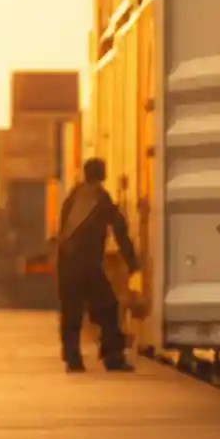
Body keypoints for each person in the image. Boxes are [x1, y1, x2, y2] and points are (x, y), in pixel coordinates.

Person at [55, 158, 139, 373]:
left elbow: (62, 229)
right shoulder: (101, 198)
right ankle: (113, 358)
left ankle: (72, 359)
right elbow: (119, 229)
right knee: (108, 307)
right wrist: (132, 261)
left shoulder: (73, 196)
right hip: (88, 266)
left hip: (66, 264)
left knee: (71, 313)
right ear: (103, 174)